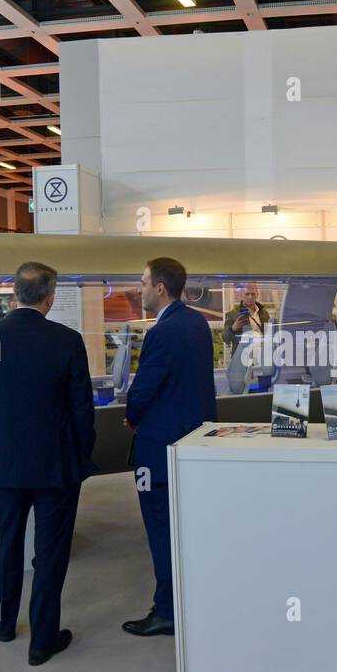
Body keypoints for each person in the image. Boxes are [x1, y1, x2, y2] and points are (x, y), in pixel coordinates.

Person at [0, 261, 97, 666]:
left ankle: (2, 621)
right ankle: (42, 639)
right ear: (50, 297)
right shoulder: (68, 341)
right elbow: (82, 409)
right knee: (51, 549)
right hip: (55, 463)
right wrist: (81, 457)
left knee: (8, 541)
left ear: (14, 293)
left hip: (3, 460)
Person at [122, 258, 218, 636]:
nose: (140, 289)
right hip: (192, 439)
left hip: (160, 446)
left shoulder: (162, 332)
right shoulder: (195, 322)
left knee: (161, 529)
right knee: (185, 528)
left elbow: (145, 387)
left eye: (143, 282)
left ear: (160, 288)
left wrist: (132, 415)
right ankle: (188, 601)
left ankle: (167, 611)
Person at [221, 281, 271, 355]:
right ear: (241, 295)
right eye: (247, 294)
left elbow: (269, 334)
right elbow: (225, 338)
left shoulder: (264, 313)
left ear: (257, 294)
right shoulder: (232, 314)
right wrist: (233, 329)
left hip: (262, 355)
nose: (250, 297)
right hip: (242, 357)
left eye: (253, 294)